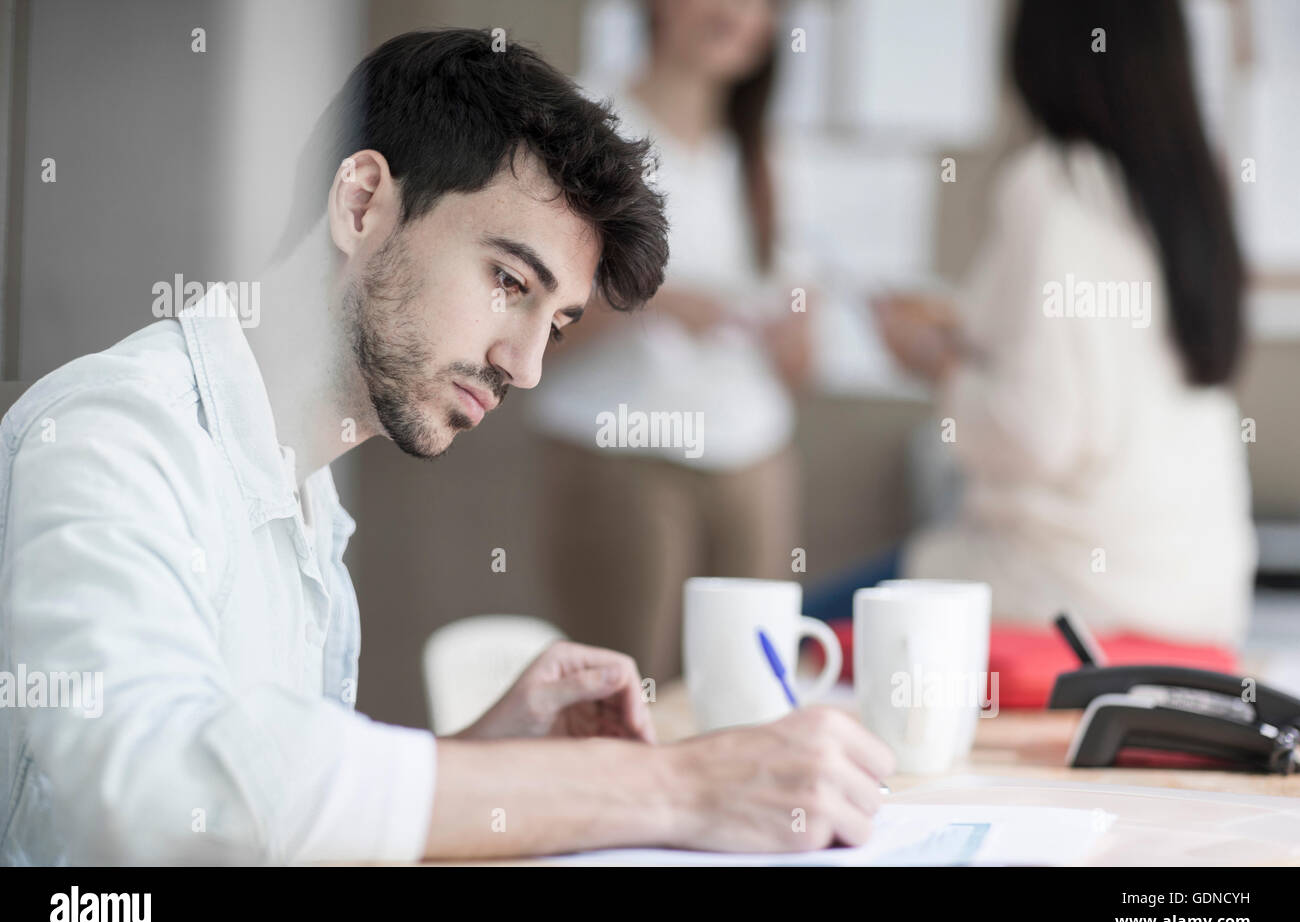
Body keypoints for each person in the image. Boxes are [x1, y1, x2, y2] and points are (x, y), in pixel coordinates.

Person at [0, 29, 892, 865]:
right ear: (361, 203)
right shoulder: (112, 434)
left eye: (558, 321)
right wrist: (666, 786)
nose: (529, 365)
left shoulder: (304, 495)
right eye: (509, 281)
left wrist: (475, 761)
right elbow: (152, 790)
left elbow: (263, 822)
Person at [805, 0, 1256, 646]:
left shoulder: (1051, 185)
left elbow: (1035, 431)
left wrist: (934, 360)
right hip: (1200, 604)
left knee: (788, 637)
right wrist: (965, 339)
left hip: (1067, 596)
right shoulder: (1190, 195)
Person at [529, 0, 813, 684]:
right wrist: (645, 299)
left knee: (748, 692)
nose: (738, 13)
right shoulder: (582, 130)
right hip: (619, 459)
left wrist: (792, 331)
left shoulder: (768, 154)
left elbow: (805, 365)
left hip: (752, 461)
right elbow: (525, 326)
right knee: (624, 700)